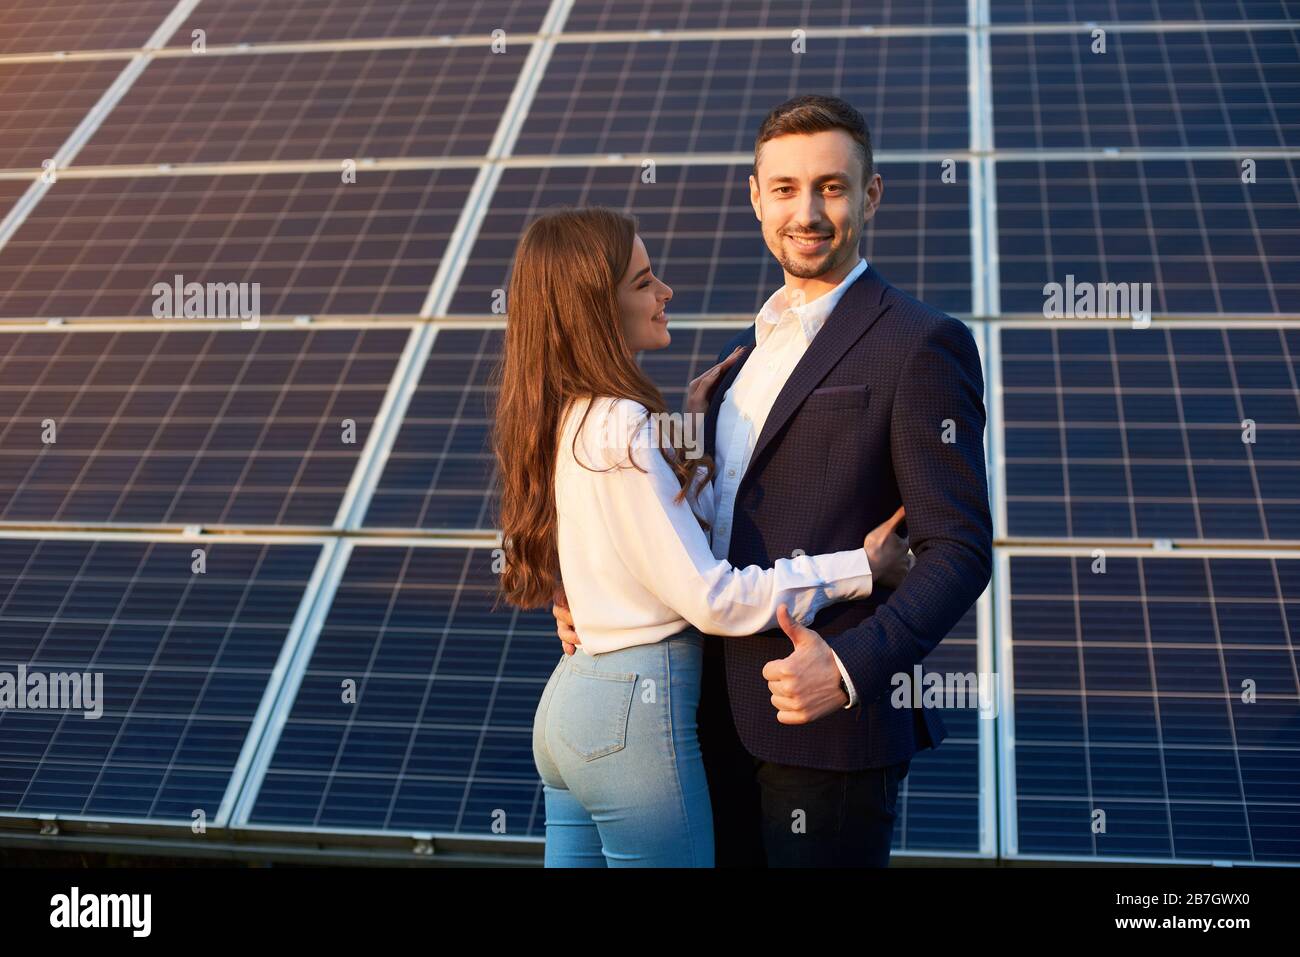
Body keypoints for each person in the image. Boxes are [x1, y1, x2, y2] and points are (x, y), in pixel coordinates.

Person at [552, 95, 994, 867]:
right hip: (699, 726)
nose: (808, 211)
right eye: (785, 188)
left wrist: (850, 668)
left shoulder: (922, 344)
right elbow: (693, 534)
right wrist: (594, 595)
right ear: (756, 197)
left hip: (827, 734)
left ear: (871, 195)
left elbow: (959, 549)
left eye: (831, 186)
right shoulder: (734, 362)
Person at [493, 205, 913, 866]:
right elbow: (713, 597)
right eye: (643, 281)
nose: (665, 293)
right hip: (631, 722)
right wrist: (860, 565)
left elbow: (649, 537)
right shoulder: (624, 428)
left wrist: (691, 434)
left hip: (571, 708)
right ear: (594, 308)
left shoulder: (570, 417)